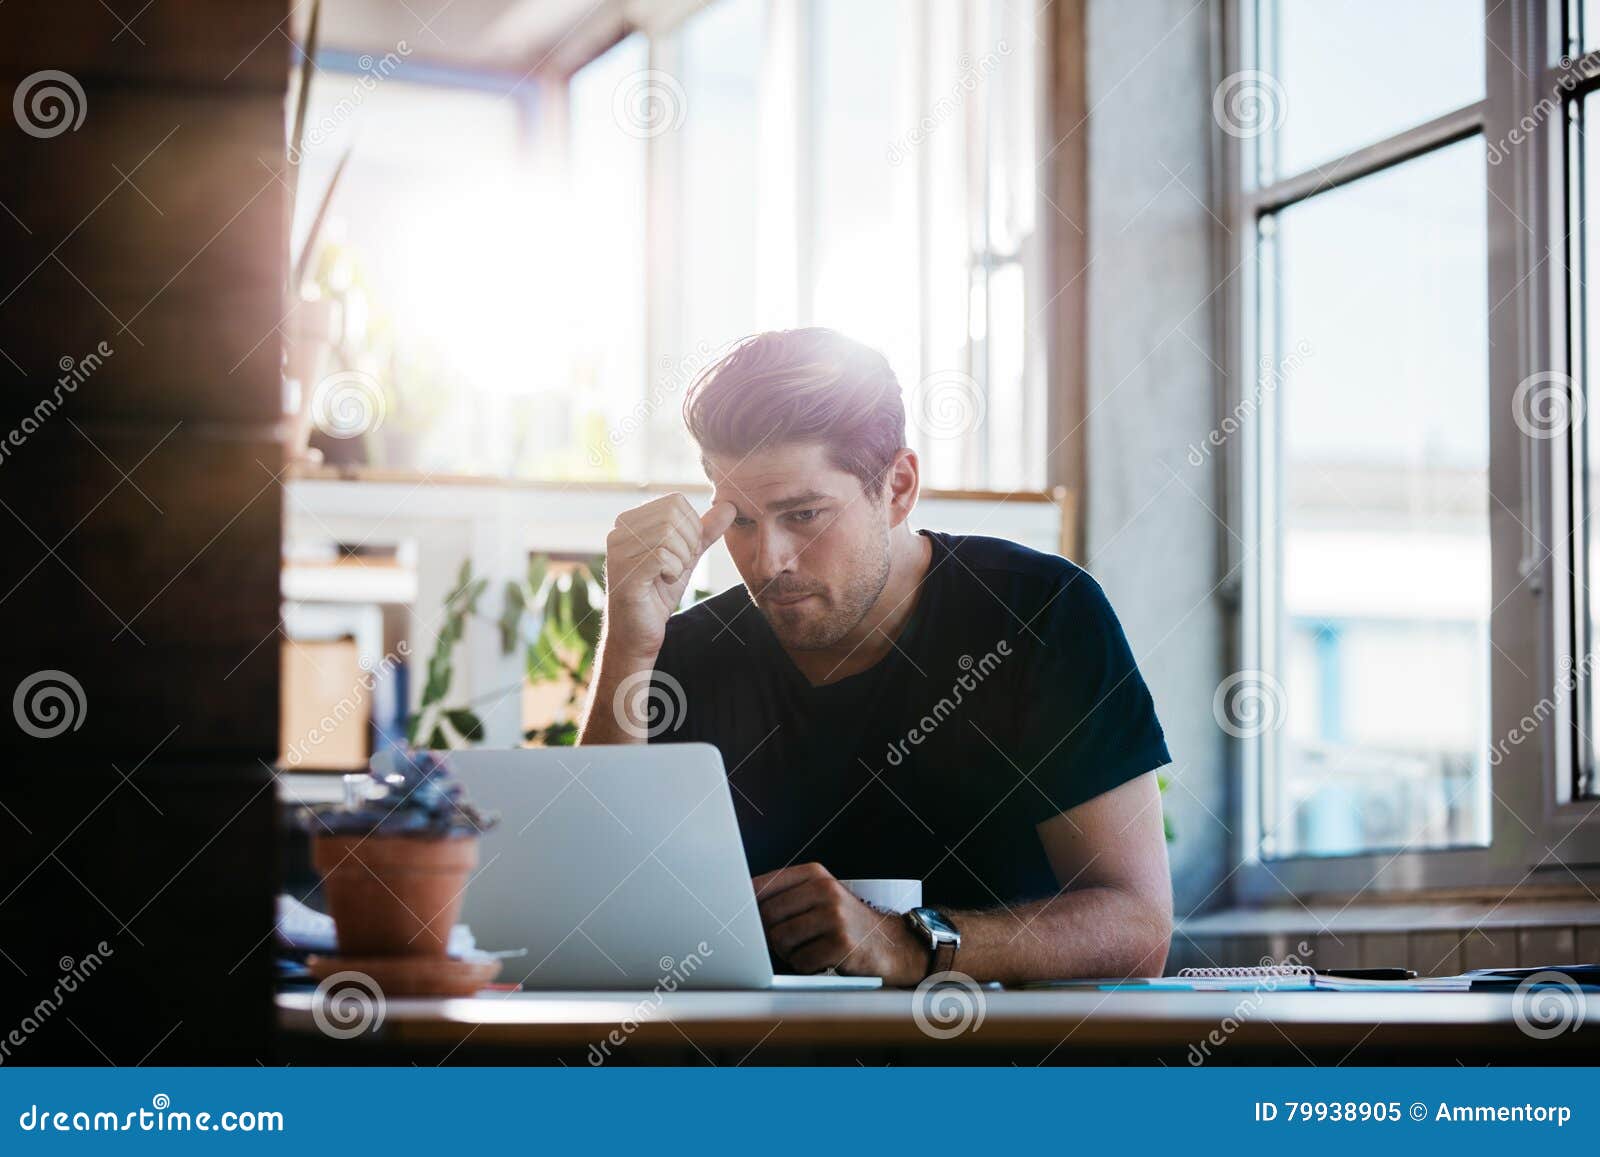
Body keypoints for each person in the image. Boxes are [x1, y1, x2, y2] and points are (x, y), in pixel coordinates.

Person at [579, 328, 1173, 987]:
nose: (768, 561)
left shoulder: (1039, 614)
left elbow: (1138, 925)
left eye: (803, 514)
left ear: (897, 487)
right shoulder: (682, 653)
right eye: (740, 521)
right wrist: (629, 644)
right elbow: (588, 913)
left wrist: (902, 943)